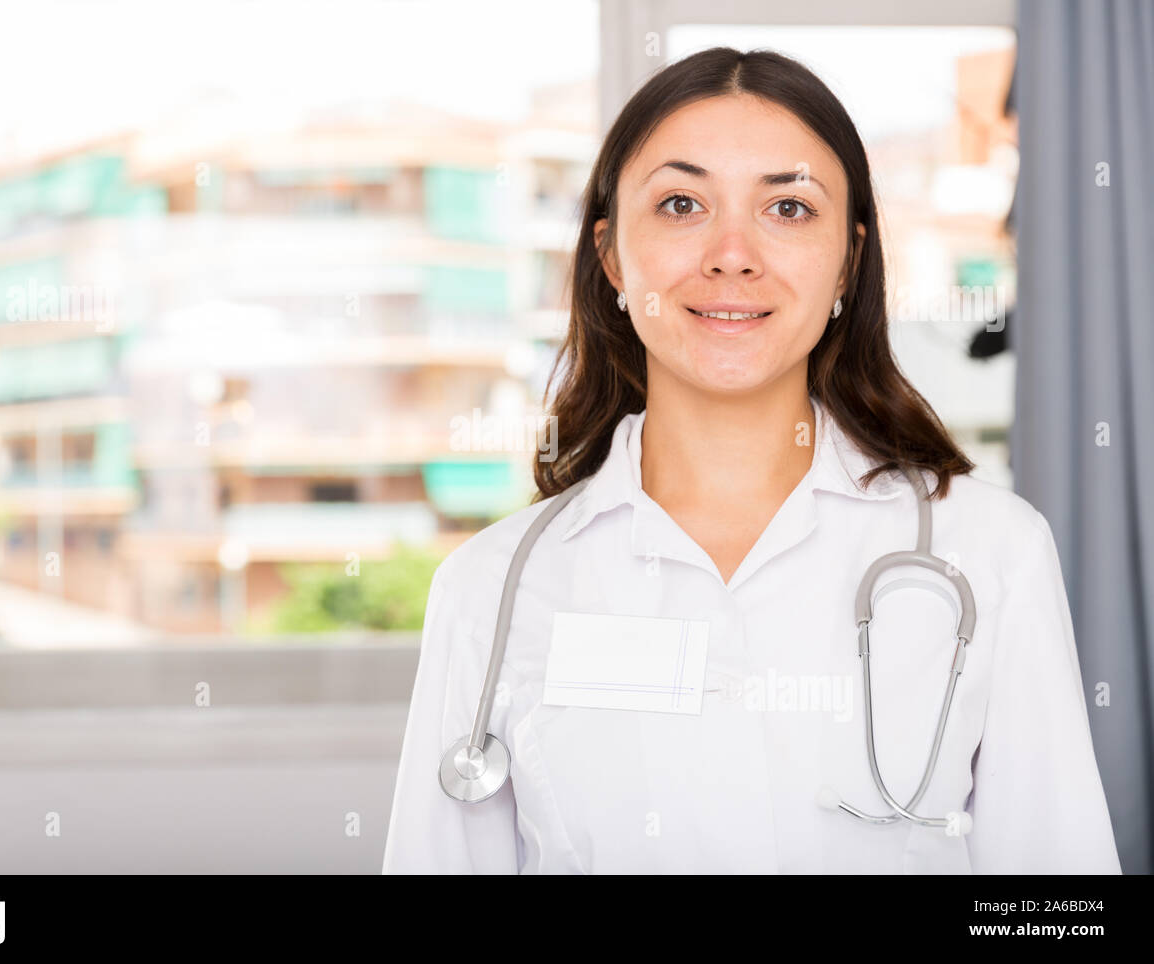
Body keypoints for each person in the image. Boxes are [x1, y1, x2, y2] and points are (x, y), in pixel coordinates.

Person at [381, 46, 1122, 874]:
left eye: (790, 209)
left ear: (848, 259)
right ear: (613, 257)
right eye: (681, 203)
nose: (731, 254)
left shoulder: (993, 553)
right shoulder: (489, 590)